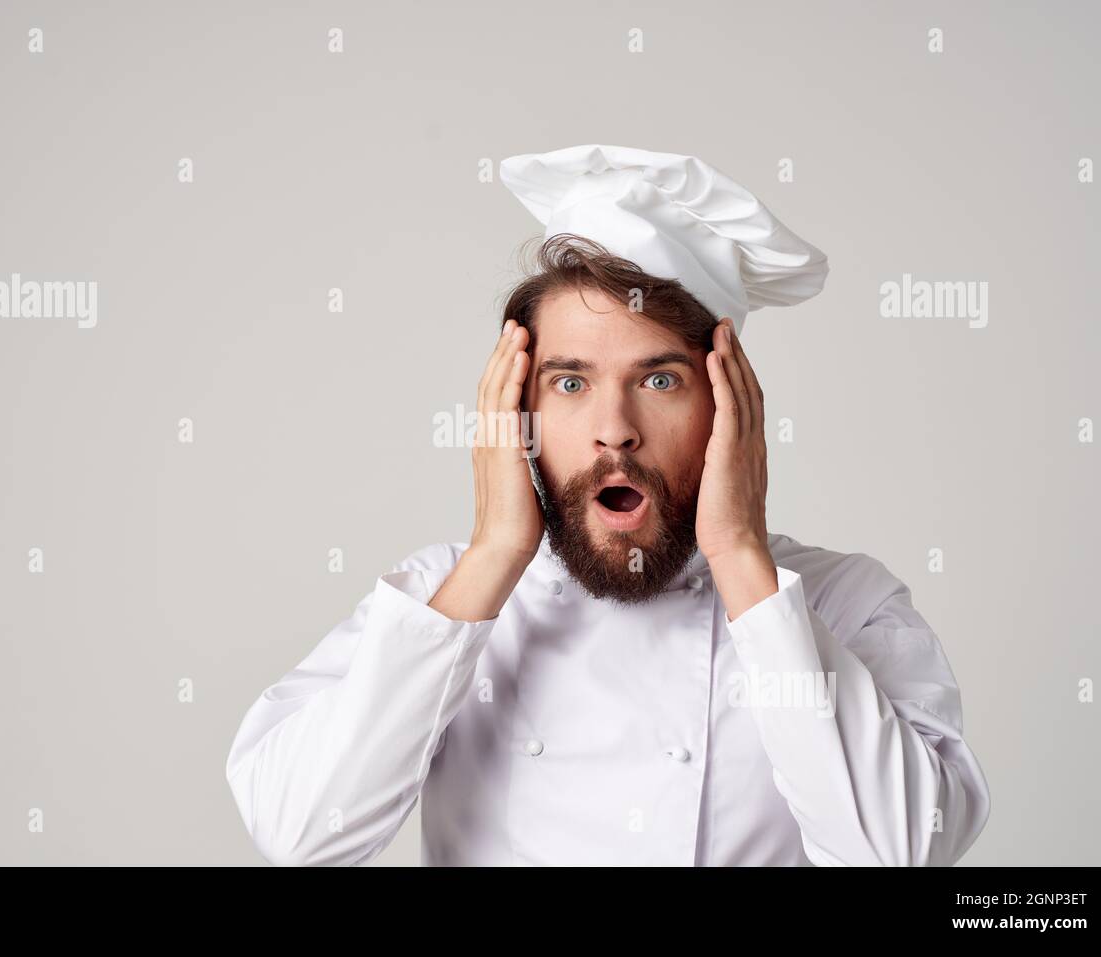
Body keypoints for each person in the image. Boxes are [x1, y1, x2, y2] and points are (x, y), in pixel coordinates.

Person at [225, 145, 991, 866]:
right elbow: (300, 831)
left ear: (730, 407)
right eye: (570, 382)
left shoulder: (844, 603)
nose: (613, 430)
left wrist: (740, 558)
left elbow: (899, 851)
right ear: (515, 413)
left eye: (659, 380)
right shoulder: (444, 598)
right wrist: (492, 554)